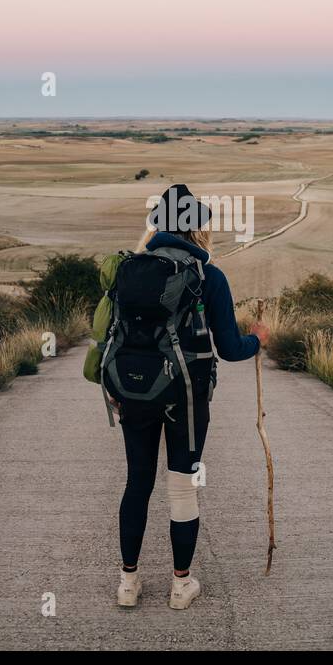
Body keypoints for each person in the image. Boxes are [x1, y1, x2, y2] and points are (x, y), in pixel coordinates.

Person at [100, 184, 268, 610]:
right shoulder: (209, 276)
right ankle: (180, 585)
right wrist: (257, 341)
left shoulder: (128, 270)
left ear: (158, 225)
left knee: (137, 482)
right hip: (187, 397)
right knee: (181, 487)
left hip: (133, 390)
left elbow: (108, 334)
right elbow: (230, 349)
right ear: (198, 229)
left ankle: (128, 583)